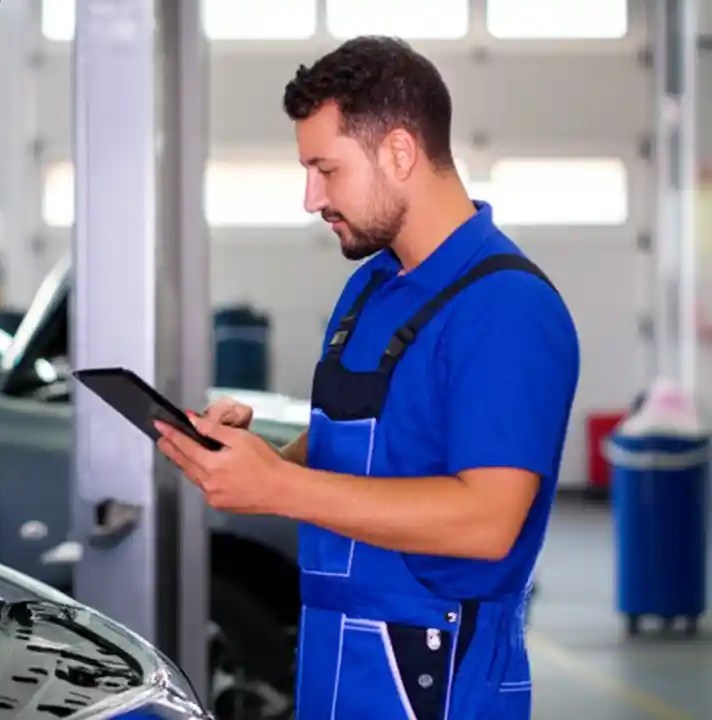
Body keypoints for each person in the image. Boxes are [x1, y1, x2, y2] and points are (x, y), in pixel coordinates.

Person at [154, 36, 579, 719]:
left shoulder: (507, 309)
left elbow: (488, 522)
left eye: (326, 168)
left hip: (438, 678)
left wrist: (280, 487)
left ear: (400, 153)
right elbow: (356, 450)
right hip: (334, 662)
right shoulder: (369, 291)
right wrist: (254, 461)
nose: (310, 196)